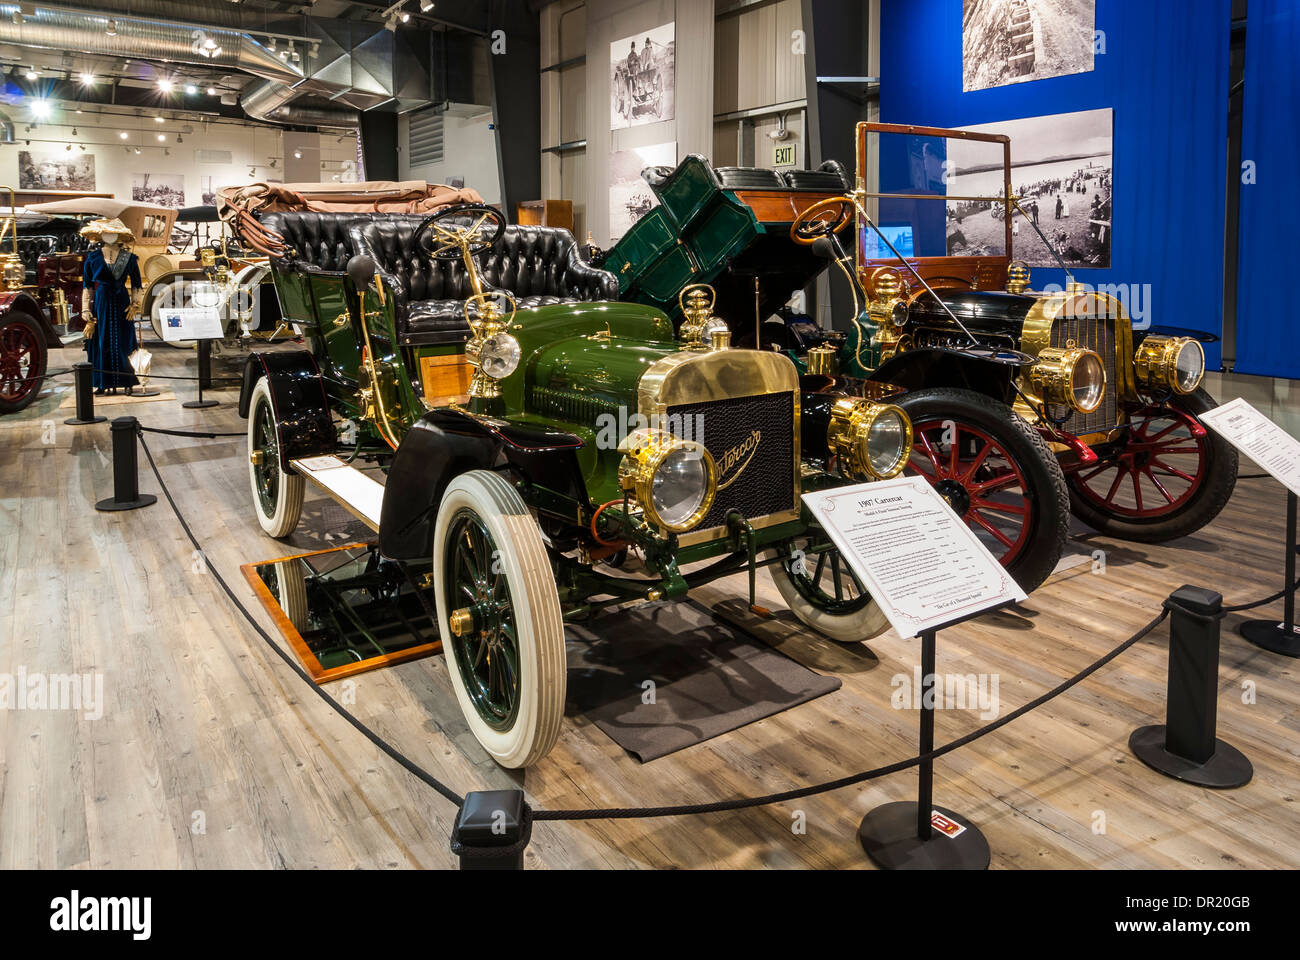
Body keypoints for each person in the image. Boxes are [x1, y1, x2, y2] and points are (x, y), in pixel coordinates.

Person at [81, 217, 143, 395]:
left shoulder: (129, 258)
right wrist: (85, 309)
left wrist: (135, 304)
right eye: (105, 233)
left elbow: (137, 284)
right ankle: (102, 382)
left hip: (122, 302)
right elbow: (87, 286)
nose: (109, 236)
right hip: (102, 302)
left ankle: (127, 381)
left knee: (125, 339)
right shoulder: (92, 258)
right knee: (101, 340)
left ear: (119, 235)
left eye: (112, 233)